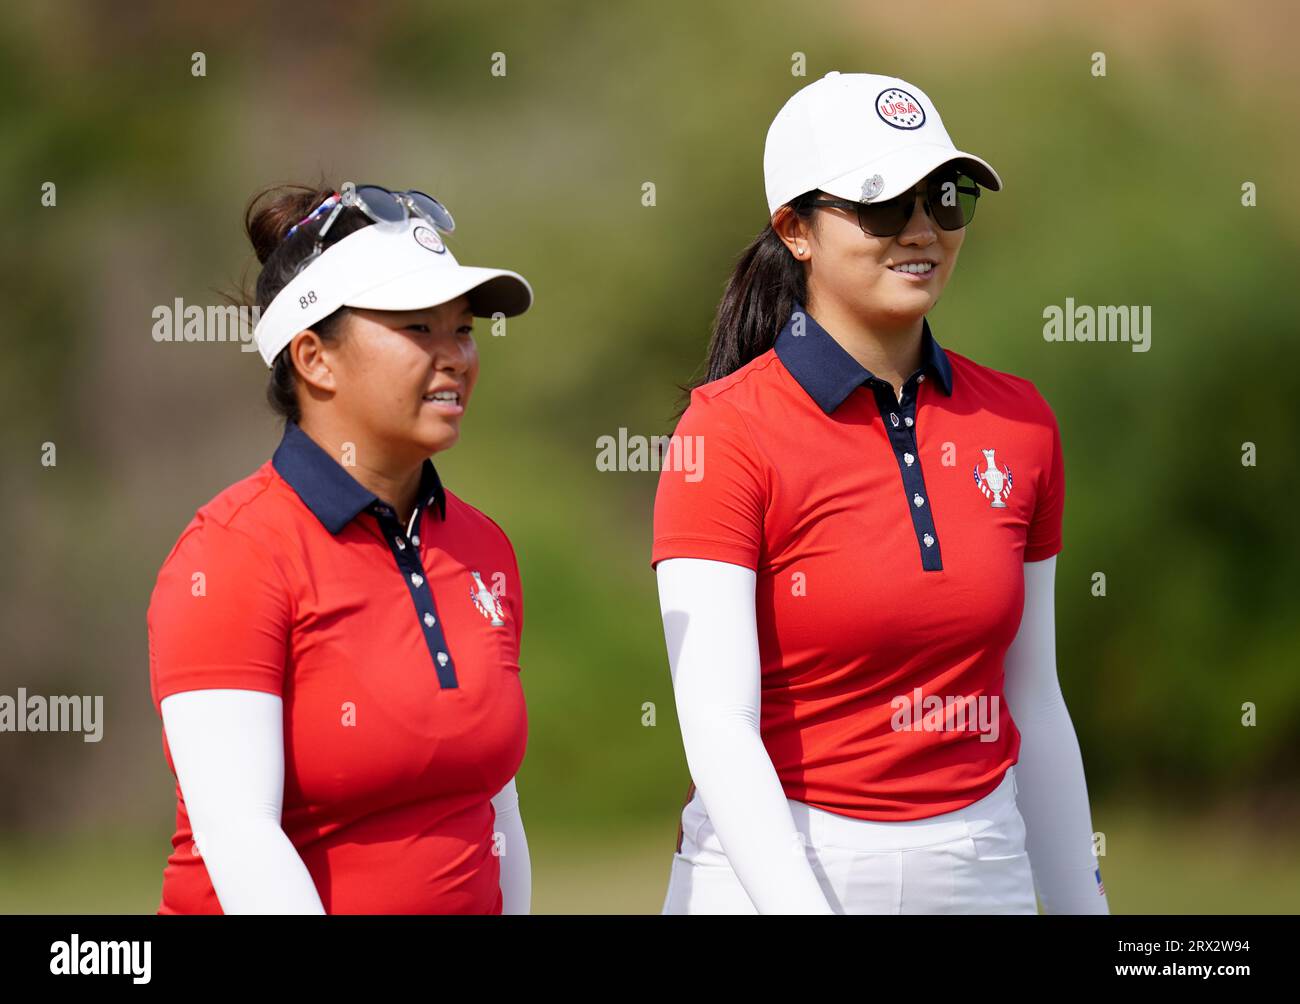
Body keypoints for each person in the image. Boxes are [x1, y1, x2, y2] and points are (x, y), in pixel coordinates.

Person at [652, 72, 1108, 914]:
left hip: (982, 865)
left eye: (945, 196)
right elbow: (719, 726)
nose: (923, 230)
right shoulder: (722, 433)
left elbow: (1033, 698)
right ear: (795, 230)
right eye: (883, 205)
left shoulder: (1021, 422)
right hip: (776, 867)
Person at [147, 182, 534, 913]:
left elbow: (496, 816)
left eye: (463, 329)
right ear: (314, 359)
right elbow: (241, 836)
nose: (455, 356)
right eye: (418, 328)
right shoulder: (230, 557)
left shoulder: (482, 546)